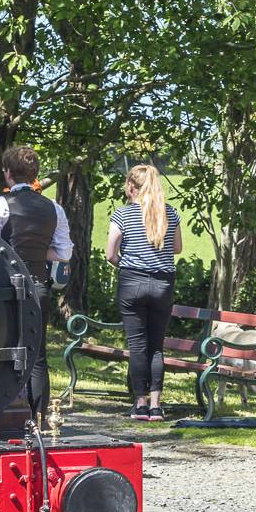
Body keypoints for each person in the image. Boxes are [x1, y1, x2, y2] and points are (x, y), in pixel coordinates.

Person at [0, 145, 72, 421]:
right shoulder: (53, 208)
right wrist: (39, 249)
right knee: (37, 356)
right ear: (35, 174)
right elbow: (65, 254)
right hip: (38, 287)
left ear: (8, 173)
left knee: (0, 351)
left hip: (5, 289)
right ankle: (39, 420)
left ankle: (3, 415)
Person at [104, 164, 183, 421]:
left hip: (132, 282)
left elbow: (110, 254)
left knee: (137, 346)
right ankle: (156, 406)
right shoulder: (169, 214)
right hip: (162, 283)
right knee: (156, 346)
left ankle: (139, 404)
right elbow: (177, 248)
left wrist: (126, 262)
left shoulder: (122, 215)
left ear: (130, 187)